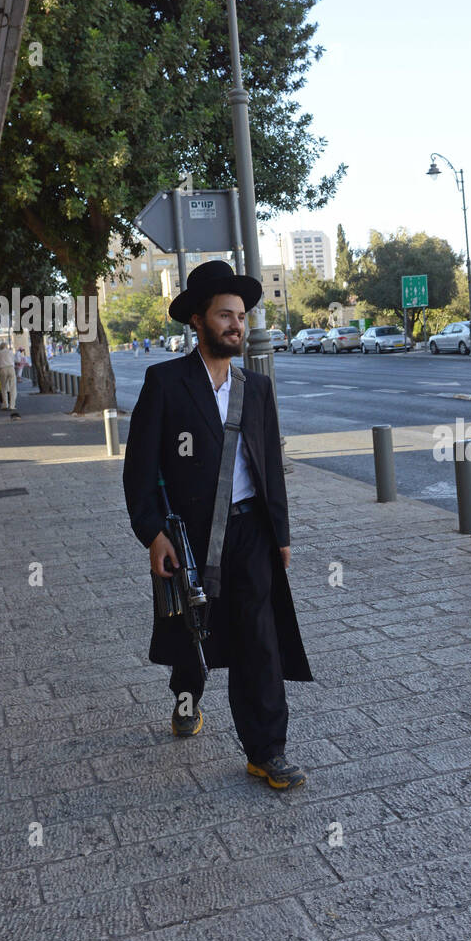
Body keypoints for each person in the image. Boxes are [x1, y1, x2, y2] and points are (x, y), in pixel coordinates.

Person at [123, 259, 312, 791]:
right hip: (188, 535)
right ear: (199, 322)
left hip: (250, 531)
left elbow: (268, 466)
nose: (237, 325)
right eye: (225, 315)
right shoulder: (165, 383)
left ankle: (266, 750)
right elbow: (139, 469)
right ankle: (186, 697)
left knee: (259, 640)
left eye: (242, 316)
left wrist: (282, 535)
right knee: (191, 637)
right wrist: (154, 533)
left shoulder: (256, 387)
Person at [0, 343, 17, 411]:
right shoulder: (10, 352)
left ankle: (5, 404)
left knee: (3, 388)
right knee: (12, 387)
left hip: (2, 370)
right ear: (6, 346)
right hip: (11, 368)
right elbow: (14, 360)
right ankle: (12, 405)